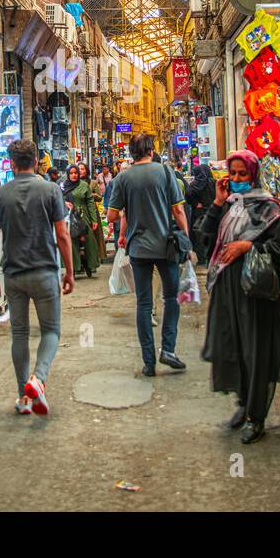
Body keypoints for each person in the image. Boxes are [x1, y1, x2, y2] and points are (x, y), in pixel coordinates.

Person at [200, 151, 280, 444]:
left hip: (256, 291)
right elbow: (205, 237)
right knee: (235, 347)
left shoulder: (268, 208)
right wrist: (217, 202)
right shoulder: (228, 206)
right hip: (228, 287)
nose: (239, 180)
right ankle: (243, 404)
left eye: (244, 174)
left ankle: (257, 416)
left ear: (253, 174)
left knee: (256, 351)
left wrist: (246, 247)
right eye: (234, 174)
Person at [0, 139, 74, 416]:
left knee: (20, 334)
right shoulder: (50, 190)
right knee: (50, 330)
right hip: (45, 272)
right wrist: (69, 271)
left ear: (11, 164)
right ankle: (38, 380)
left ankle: (23, 397)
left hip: (13, 274)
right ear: (36, 161)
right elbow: (62, 234)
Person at [106, 133, 190, 376]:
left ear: (132, 153)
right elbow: (178, 210)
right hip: (167, 245)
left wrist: (128, 211)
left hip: (139, 249)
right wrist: (187, 239)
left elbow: (112, 215)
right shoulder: (165, 173)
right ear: (151, 151)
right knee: (171, 298)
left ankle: (149, 362)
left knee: (143, 304)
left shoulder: (123, 178)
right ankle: (169, 350)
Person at [63, 164, 102, 277]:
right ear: (68, 174)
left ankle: (90, 264)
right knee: (72, 243)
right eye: (71, 173)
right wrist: (64, 202)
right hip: (69, 218)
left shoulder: (84, 185)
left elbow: (90, 203)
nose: (74, 175)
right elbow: (57, 199)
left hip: (83, 217)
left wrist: (94, 220)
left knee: (89, 242)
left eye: (76, 173)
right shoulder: (63, 186)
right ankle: (74, 268)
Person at [185, 163, 217, 263]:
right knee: (213, 234)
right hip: (213, 212)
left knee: (199, 236)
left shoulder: (194, 184)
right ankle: (212, 257)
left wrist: (195, 203)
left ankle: (202, 259)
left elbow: (188, 195)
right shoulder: (214, 183)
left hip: (198, 213)